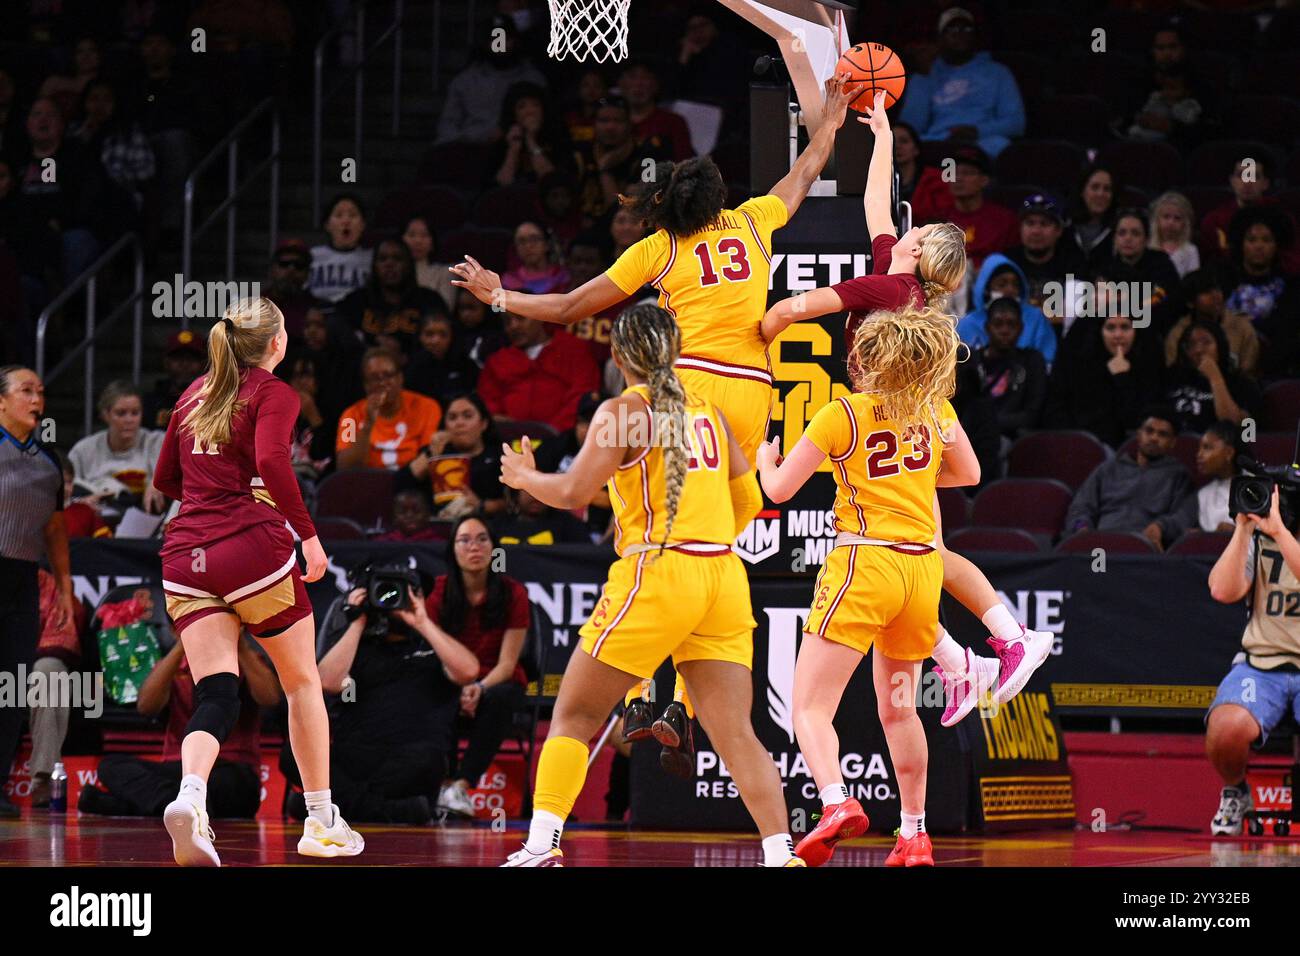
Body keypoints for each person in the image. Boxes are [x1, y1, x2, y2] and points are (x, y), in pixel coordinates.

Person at [457, 74, 856, 755]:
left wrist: (501, 298)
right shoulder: (754, 222)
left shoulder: (661, 247)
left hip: (685, 395)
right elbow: (806, 171)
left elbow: (569, 307)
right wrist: (832, 123)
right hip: (750, 402)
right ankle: (671, 701)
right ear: (718, 199)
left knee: (645, 538)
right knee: (710, 550)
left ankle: (646, 694)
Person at [763, 90, 1051, 726]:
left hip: (899, 404)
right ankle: (967, 662)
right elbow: (875, 201)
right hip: (914, 404)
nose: (909, 224)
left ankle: (1012, 639)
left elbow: (789, 310)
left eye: (916, 229)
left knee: (925, 550)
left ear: (918, 251)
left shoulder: (888, 285)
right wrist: (882, 133)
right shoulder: (900, 274)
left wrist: (744, 340)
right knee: (922, 553)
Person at [498, 303, 801, 867]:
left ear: (618, 355)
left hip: (660, 571)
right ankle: (781, 854)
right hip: (723, 576)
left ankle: (541, 845)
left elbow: (570, 493)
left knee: (575, 714)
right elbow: (750, 500)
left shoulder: (621, 412)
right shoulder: (708, 410)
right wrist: (706, 535)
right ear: (677, 349)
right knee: (736, 732)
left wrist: (522, 477)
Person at [756, 304, 979, 867]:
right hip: (921, 572)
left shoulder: (843, 413)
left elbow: (780, 490)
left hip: (866, 566)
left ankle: (834, 801)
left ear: (865, 362)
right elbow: (969, 474)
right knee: (900, 711)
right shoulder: (934, 408)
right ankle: (914, 833)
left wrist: (765, 460)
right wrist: (920, 474)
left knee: (808, 706)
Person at [151, 297, 364, 864]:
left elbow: (165, 478)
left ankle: (190, 796)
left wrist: (210, 497)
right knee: (300, 684)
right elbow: (273, 461)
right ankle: (320, 820)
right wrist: (308, 534)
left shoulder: (193, 393)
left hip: (183, 554)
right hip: (250, 548)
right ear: (275, 343)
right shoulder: (274, 392)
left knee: (216, 689)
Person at [312, 566, 481, 824]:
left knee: (430, 760)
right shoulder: (355, 646)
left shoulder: (432, 646)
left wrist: (422, 622)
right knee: (295, 755)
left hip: (410, 760)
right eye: (383, 591)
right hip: (356, 756)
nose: (392, 599)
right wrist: (357, 621)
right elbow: (326, 682)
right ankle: (396, 811)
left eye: (403, 592)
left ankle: (339, 807)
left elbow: (469, 671)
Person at [79, 634, 275, 820]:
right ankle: (179, 805)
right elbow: (146, 706)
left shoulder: (247, 660)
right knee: (110, 766)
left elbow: (271, 699)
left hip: (230, 768)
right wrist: (183, 644)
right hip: (180, 769)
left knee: (229, 783)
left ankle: (135, 806)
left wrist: (239, 646)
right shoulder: (173, 667)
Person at [1204, 485, 1300, 835]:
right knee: (1225, 728)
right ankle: (1236, 790)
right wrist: (1244, 528)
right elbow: (1222, 590)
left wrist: (1281, 533)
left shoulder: (1278, 533)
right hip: (1262, 662)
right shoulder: (1260, 538)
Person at [0, 368, 71, 819]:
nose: (36, 398)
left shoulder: (49, 462)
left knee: (10, 687)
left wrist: (64, 586)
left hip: (21, 580)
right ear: (1, 402)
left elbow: (55, 529)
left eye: (40, 391)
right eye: (26, 390)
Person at [428, 516, 531, 817]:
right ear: (453, 548)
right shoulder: (439, 592)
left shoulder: (514, 594)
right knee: (432, 690)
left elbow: (508, 663)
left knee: (503, 697)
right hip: (451, 678)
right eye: (464, 540)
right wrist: (459, 686)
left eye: (482, 539)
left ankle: (461, 784)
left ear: (494, 548)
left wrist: (479, 688)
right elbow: (434, 653)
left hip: (495, 682)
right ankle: (441, 783)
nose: (474, 547)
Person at [898, 6, 1025, 158]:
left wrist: (976, 131)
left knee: (1001, 147)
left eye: (966, 29)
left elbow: (1016, 123)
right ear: (939, 38)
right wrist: (924, 78)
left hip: (982, 141)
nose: (960, 34)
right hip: (939, 141)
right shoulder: (926, 73)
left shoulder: (997, 72)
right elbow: (911, 127)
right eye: (952, 30)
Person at [1063, 407, 1194, 551]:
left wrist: (1161, 526)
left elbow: (1183, 516)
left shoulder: (1179, 476)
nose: (1154, 438)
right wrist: (1082, 528)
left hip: (1144, 548)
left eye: (1162, 434)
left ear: (1172, 442)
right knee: (1090, 567)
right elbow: (1080, 507)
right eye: (1149, 431)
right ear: (1139, 435)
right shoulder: (1107, 469)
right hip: (1100, 547)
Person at [1045, 314, 1164, 448]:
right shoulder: (1080, 366)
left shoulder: (1148, 365)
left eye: (1125, 327)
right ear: (1100, 331)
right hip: (1080, 448)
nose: (1118, 335)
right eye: (1110, 327)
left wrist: (1122, 379)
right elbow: (1057, 410)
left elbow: (1142, 420)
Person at [435, 14, 547, 145]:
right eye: (495, 39)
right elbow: (448, 124)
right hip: (472, 150)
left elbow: (546, 121)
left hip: (520, 148)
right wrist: (468, 140)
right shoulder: (465, 81)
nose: (500, 44)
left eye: (505, 38)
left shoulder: (533, 79)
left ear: (515, 40)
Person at [476, 313, 600, 432]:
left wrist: (551, 432)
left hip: (564, 439)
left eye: (521, 318)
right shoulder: (497, 360)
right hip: (509, 440)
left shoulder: (574, 349)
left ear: (540, 316)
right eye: (507, 321)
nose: (513, 326)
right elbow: (488, 403)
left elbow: (583, 395)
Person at [26, 568, 87, 808]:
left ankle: (43, 777)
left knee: (48, 673)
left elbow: (62, 633)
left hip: (30, 666)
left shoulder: (43, 581)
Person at [69, 380, 167, 516]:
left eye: (135, 413)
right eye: (121, 413)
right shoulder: (83, 450)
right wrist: (82, 503)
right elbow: (65, 494)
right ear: (105, 415)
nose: (129, 420)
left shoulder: (157, 443)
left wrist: (159, 483)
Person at [336, 236, 448, 356]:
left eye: (397, 259)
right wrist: (372, 342)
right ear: (374, 266)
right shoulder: (356, 301)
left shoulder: (430, 301)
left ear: (408, 264)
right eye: (383, 259)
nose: (389, 264)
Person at [335, 348, 442, 471]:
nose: (382, 383)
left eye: (388, 375)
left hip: (412, 482)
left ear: (400, 378)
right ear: (366, 385)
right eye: (374, 378)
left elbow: (429, 457)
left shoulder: (427, 407)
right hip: (367, 483)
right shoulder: (350, 416)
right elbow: (343, 467)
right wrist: (368, 425)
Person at [402, 393, 507, 519]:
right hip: (438, 527)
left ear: (483, 423)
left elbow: (513, 503)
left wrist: (481, 505)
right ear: (445, 426)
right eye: (452, 418)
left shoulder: (499, 457)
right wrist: (432, 454)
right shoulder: (434, 453)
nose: (459, 423)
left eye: (467, 416)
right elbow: (401, 485)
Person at [1091, 208, 1183, 335]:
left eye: (1135, 233)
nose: (1128, 238)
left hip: (1154, 332)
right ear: (1115, 239)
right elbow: (1098, 307)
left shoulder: (1161, 263)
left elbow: (1159, 297)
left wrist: (1118, 298)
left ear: (1146, 239)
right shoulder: (1104, 268)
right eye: (1122, 233)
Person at [955, 254, 1057, 363]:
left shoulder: (1035, 318)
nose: (1010, 290)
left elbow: (1047, 361)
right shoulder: (967, 324)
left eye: (1015, 285)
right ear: (986, 289)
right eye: (1002, 284)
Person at [972, 297, 1047, 442]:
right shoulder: (972, 361)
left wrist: (986, 424)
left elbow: (1032, 414)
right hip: (974, 439)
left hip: (1015, 440)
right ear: (987, 327)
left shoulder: (1032, 361)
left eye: (1011, 325)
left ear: (1021, 328)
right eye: (998, 324)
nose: (1005, 330)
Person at [1164, 321, 1262, 431]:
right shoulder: (1173, 377)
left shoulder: (1242, 384)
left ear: (1220, 346)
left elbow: (1233, 424)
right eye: (1191, 344)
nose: (1198, 350)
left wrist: (1215, 377)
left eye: (1206, 342)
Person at [1163, 267, 1258, 375]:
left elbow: (1249, 372)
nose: (1215, 296)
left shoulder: (1242, 327)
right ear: (1190, 302)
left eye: (1217, 289)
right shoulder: (1178, 334)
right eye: (1206, 292)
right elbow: (1173, 375)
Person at [1005, 192, 1089, 313]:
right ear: (1020, 228)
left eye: (1044, 224)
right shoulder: (1006, 263)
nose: (1036, 231)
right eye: (1030, 223)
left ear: (1058, 231)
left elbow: (1075, 313)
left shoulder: (1074, 264)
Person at [490, 82, 573, 188]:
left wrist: (531, 140)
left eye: (535, 105)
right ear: (513, 114)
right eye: (522, 106)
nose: (530, 111)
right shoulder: (504, 142)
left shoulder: (557, 138)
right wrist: (513, 150)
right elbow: (501, 185)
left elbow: (553, 184)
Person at [617, 60, 693, 161]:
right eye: (632, 76)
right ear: (620, 84)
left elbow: (684, 166)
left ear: (656, 84)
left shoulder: (673, 123)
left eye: (646, 77)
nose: (638, 84)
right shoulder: (607, 119)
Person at [1175, 420, 1240, 538]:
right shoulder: (1202, 494)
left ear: (1229, 453)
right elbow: (1177, 521)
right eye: (1199, 448)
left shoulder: (1256, 488)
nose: (1199, 455)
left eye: (1207, 448)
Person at [307, 194, 373, 304]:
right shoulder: (312, 256)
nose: (346, 221)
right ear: (327, 225)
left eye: (352, 215)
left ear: (363, 225)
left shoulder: (372, 258)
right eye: (338, 215)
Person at [404, 312, 479, 407]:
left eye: (443, 334)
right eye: (429, 334)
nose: (436, 340)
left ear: (452, 337)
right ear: (420, 337)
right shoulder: (412, 369)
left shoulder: (466, 365)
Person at [143, 330, 207, 430]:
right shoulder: (151, 403)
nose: (185, 364)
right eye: (178, 358)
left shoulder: (213, 401)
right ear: (166, 363)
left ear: (203, 364)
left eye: (191, 359)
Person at [264, 238, 322, 341]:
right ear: (272, 269)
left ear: (307, 273)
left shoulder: (318, 308)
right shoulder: (255, 306)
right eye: (284, 264)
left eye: (299, 265)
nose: (291, 269)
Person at [1066, 165, 1120, 263]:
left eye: (1107, 189)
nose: (1100, 194)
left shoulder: (1120, 230)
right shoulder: (1065, 225)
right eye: (1095, 187)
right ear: (1082, 191)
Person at [402, 215, 457, 311]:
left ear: (433, 241)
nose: (418, 241)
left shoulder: (445, 273)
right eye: (411, 235)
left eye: (424, 235)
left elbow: (445, 311)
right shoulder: (391, 272)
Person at [502, 221, 570, 295]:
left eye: (534, 239)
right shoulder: (509, 281)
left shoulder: (562, 277)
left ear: (546, 244)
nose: (528, 246)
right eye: (521, 241)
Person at [1148, 191, 1200, 279]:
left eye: (1177, 218)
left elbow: (1193, 283)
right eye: (1166, 217)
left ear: (1185, 223)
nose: (1171, 222)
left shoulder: (1190, 251)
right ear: (1157, 220)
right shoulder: (1147, 247)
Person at [373, 489, 445, 543]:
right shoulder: (382, 543)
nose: (409, 516)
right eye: (402, 512)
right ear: (394, 517)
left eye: (416, 511)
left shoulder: (438, 544)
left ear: (427, 515)